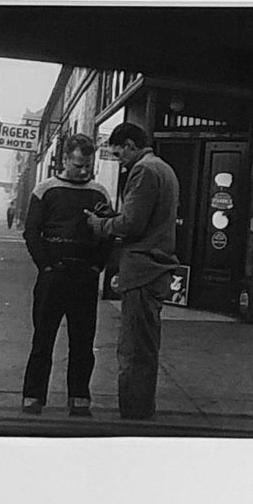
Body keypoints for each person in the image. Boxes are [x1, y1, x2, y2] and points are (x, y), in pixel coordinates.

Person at [85, 122, 179, 421]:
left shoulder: (144, 170)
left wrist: (100, 225)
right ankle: (142, 413)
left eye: (119, 153)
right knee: (146, 346)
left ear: (129, 145)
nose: (119, 160)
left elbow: (132, 224)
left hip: (142, 268)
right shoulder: (164, 169)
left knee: (133, 350)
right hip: (155, 267)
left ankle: (135, 417)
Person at [21, 133, 112, 417]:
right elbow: (32, 232)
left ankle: (79, 398)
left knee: (83, 343)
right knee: (43, 340)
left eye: (87, 165)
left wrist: (97, 266)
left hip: (84, 277)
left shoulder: (99, 193)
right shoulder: (45, 190)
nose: (83, 171)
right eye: (78, 165)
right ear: (64, 160)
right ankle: (33, 397)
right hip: (53, 277)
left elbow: (108, 234)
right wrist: (46, 266)